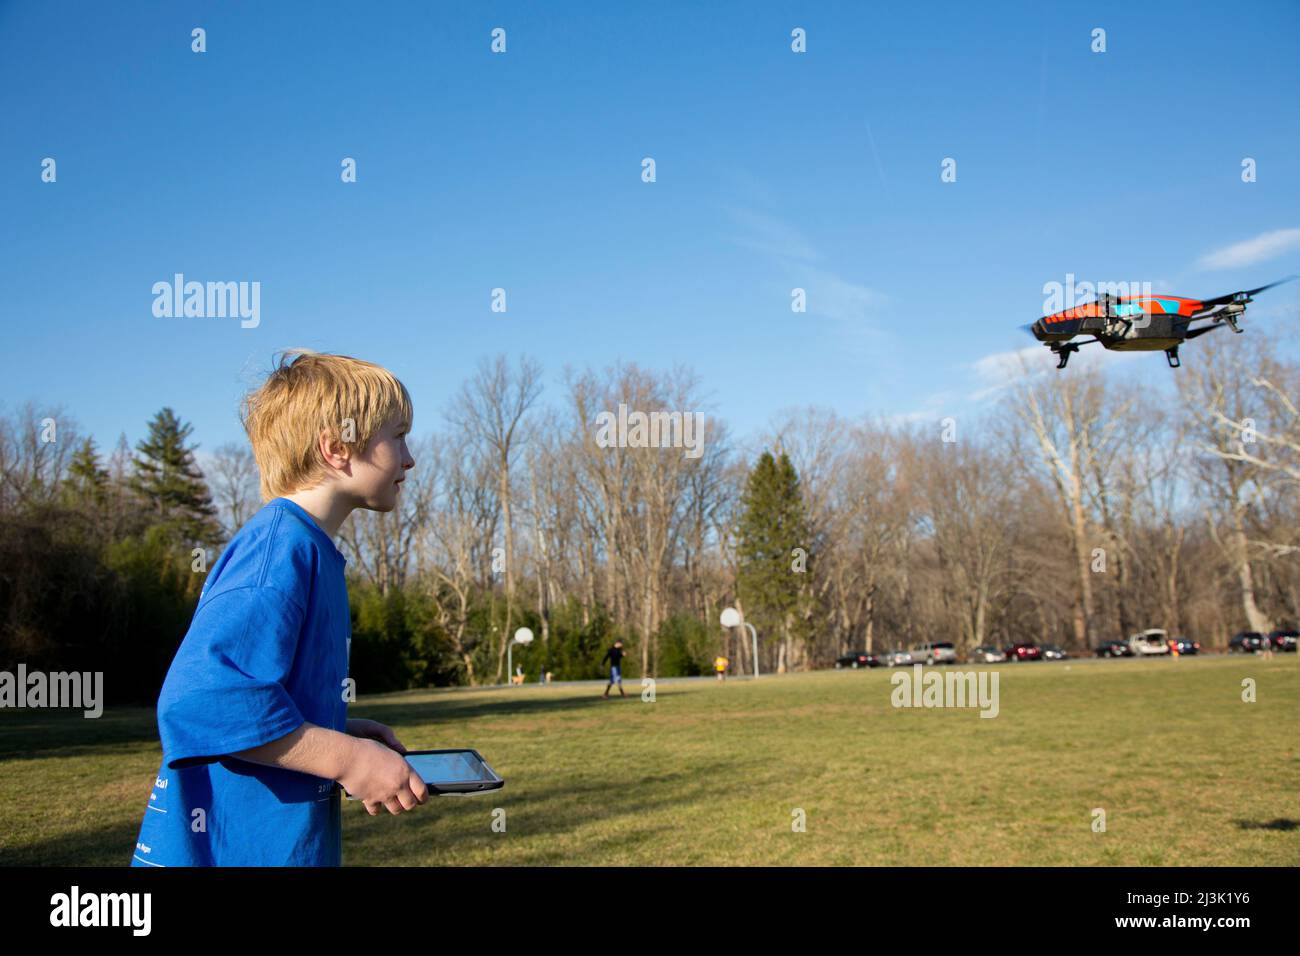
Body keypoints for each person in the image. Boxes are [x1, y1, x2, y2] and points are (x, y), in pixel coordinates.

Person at [130, 351, 427, 867]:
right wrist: (348, 759)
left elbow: (261, 697)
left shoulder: (308, 549)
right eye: (397, 435)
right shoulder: (279, 549)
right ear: (337, 448)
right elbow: (199, 700)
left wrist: (341, 729)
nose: (408, 458)